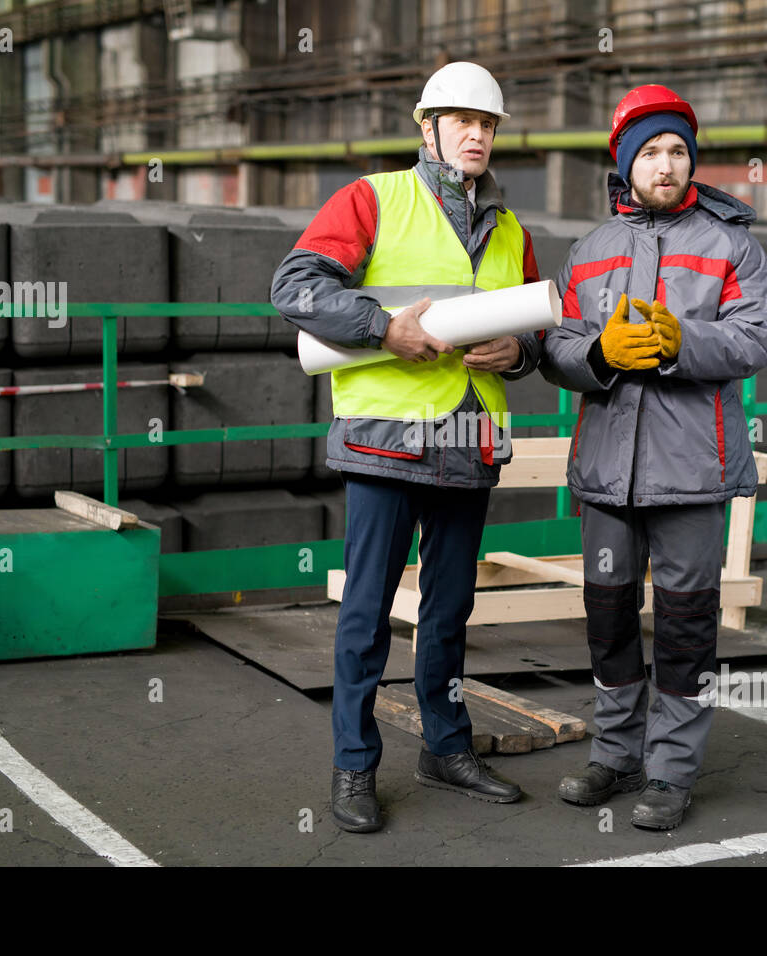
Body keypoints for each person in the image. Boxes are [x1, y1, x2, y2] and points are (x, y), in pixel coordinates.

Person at [270, 61, 544, 834]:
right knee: (365, 616)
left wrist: (514, 355)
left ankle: (445, 749)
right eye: (461, 120)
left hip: (469, 441)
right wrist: (382, 327)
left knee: (450, 611)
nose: (476, 133)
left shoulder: (512, 228)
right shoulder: (373, 198)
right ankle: (354, 765)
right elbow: (294, 286)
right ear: (427, 126)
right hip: (387, 445)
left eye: (487, 124)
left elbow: (532, 331)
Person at [541, 84, 767, 830]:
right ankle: (615, 755)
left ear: (692, 159)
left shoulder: (732, 244)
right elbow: (555, 347)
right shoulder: (591, 250)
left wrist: (684, 341)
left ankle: (670, 773)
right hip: (609, 472)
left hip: (692, 473)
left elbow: (754, 340)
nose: (666, 164)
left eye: (678, 150)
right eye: (650, 152)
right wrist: (601, 353)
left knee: (684, 624)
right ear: (625, 163)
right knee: (607, 616)